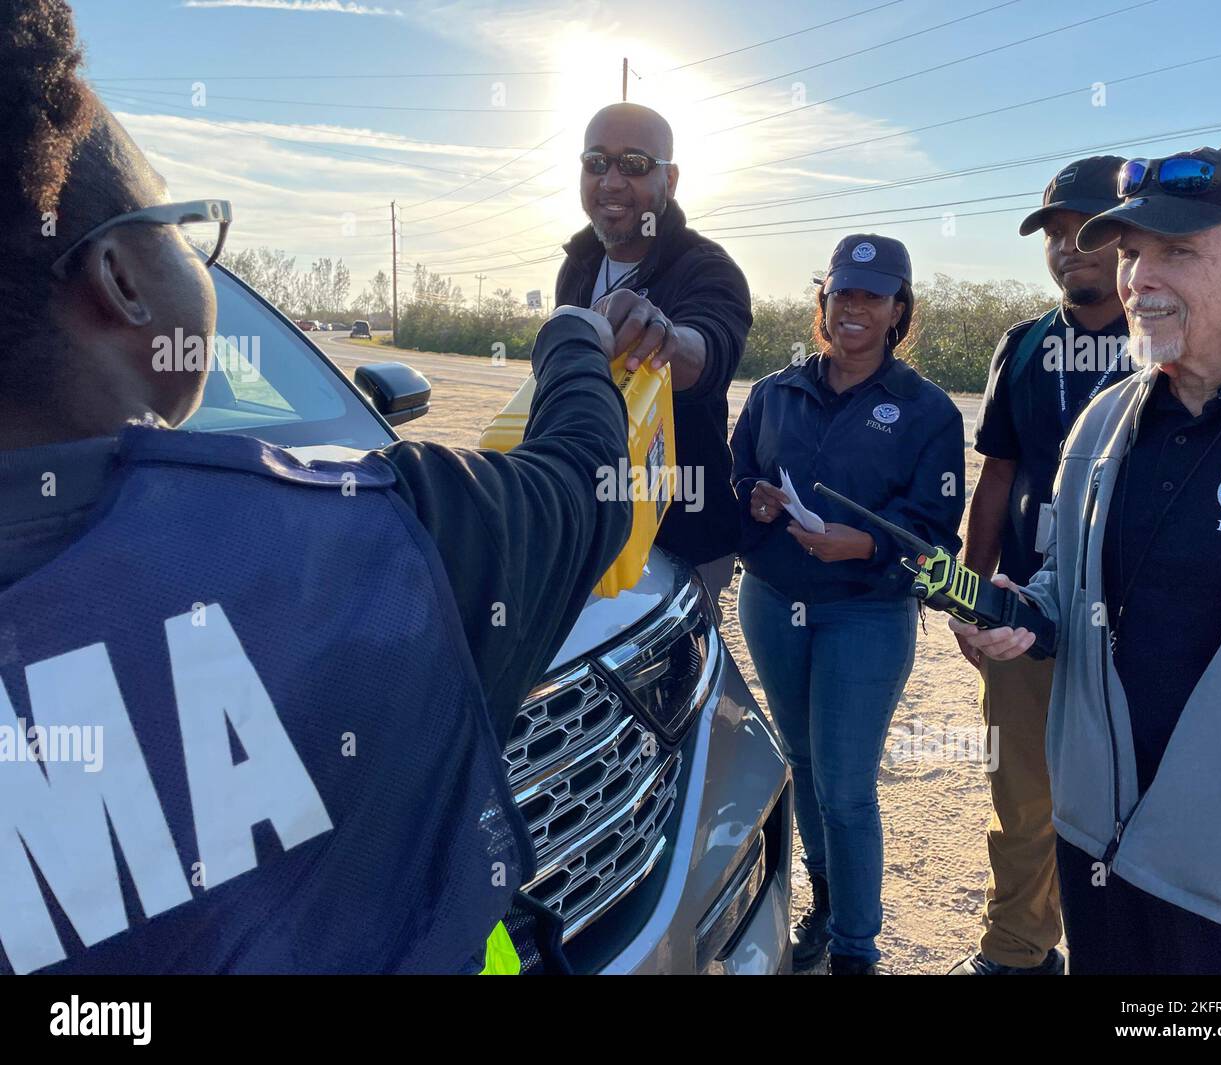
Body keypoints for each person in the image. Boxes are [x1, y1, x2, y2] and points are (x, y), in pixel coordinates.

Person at [0, 0, 631, 975]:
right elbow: (581, 486)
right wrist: (572, 339)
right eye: (178, 222)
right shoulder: (369, 543)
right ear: (122, 279)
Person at [956, 146, 1221, 975]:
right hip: (1094, 853)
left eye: (1177, 250)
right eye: (1134, 251)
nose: (1140, 275)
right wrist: (1025, 616)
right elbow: (1066, 587)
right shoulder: (1103, 424)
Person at [731, 234, 965, 974]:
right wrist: (758, 502)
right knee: (800, 761)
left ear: (900, 309)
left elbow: (934, 537)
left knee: (847, 784)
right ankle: (826, 906)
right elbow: (737, 477)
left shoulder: (927, 411)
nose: (855, 307)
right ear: (823, 302)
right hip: (773, 604)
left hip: (865, 613)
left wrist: (861, 545)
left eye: (874, 295)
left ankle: (856, 950)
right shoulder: (775, 392)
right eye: (843, 293)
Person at [948, 156, 1133, 976]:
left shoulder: (1175, 338)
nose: (1069, 249)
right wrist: (970, 591)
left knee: (1134, 799)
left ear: (1131, 235)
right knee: (1022, 800)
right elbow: (996, 474)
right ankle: (1018, 952)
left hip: (1137, 625)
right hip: (1025, 617)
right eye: (1055, 234)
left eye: (1088, 231)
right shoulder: (1021, 346)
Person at [555, 102, 752, 605]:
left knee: (672, 676)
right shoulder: (577, 266)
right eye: (596, 163)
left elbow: (710, 352)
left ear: (672, 178)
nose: (612, 181)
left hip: (682, 533)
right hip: (586, 519)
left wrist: (662, 334)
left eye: (634, 163)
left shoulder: (709, 269)